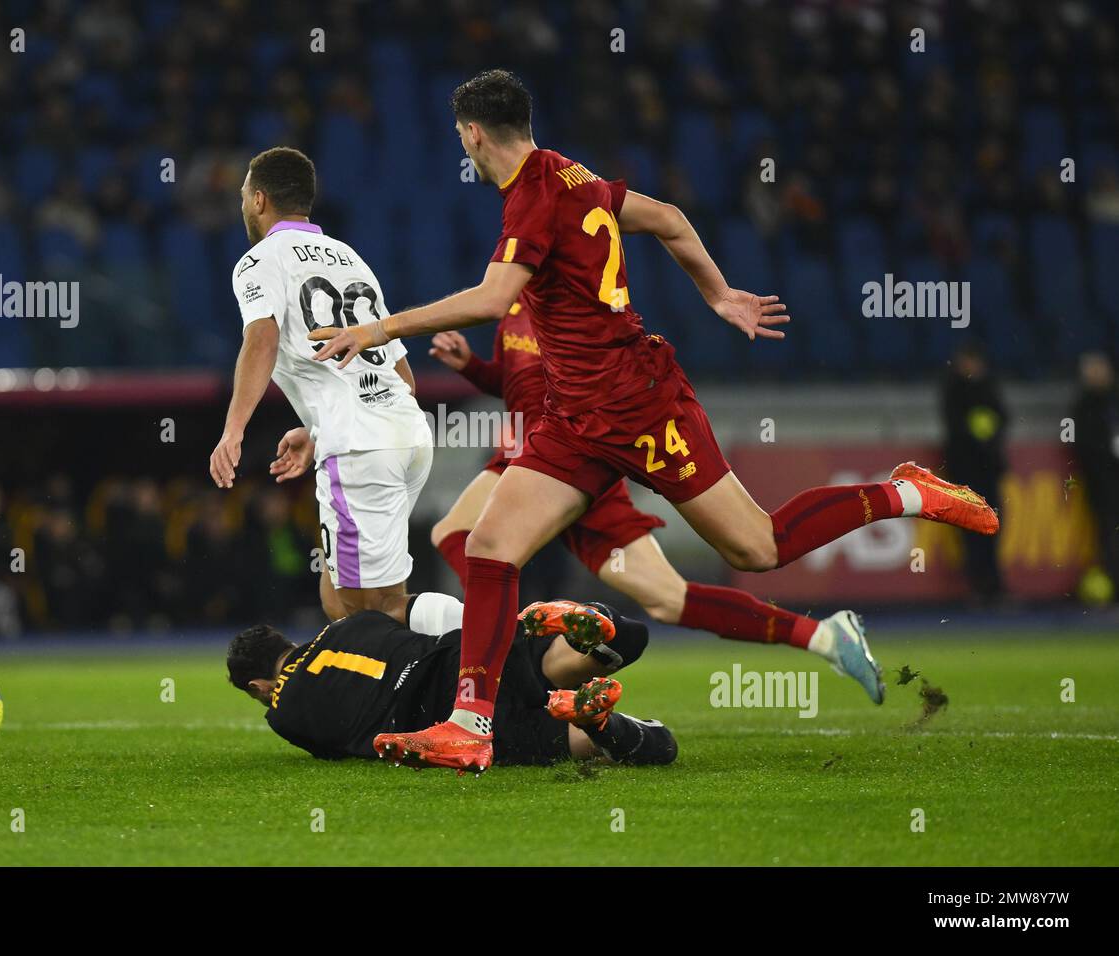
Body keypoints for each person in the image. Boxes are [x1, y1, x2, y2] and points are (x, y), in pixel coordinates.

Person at [309, 70, 999, 772]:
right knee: (489, 548)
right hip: (576, 419)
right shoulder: (574, 177)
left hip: (640, 405)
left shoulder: (535, 195)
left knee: (757, 549)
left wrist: (378, 327)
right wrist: (719, 294)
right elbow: (668, 216)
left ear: (472, 134)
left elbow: (494, 299)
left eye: (461, 135)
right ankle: (469, 723)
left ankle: (907, 493)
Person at [428, 304, 884, 704]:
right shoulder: (514, 303)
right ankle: (824, 637)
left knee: (461, 536)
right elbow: (517, 383)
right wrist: (472, 366)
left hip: (570, 460)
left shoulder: (570, 306)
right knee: (461, 535)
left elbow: (597, 383)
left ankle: (509, 656)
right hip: (533, 457)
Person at [209, 146, 455, 631]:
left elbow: (261, 339)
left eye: (242, 195)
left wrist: (233, 429)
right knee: (340, 601)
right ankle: (416, 692)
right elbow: (400, 372)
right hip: (403, 433)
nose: (242, 205)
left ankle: (508, 648)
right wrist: (316, 429)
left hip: (361, 444)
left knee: (373, 608)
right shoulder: (350, 257)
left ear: (258, 200)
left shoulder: (258, 261)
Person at [226, 596, 678, 769]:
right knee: (562, 661)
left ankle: (597, 726)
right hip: (461, 657)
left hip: (439, 718)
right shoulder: (350, 623)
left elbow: (333, 745)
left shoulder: (281, 713)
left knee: (641, 746)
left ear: (256, 687)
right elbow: (415, 607)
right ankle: (592, 637)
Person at [941, 341, 1008, 600]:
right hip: (967, 472)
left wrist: (986, 436)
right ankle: (979, 586)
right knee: (971, 531)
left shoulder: (988, 386)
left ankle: (994, 585)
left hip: (988, 469)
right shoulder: (954, 389)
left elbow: (1003, 417)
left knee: (993, 526)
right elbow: (955, 426)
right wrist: (978, 434)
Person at [1072, 352, 1119, 597]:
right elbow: (1080, 443)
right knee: (1109, 533)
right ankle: (1114, 582)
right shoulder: (1084, 405)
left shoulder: (1112, 399)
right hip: (1102, 483)